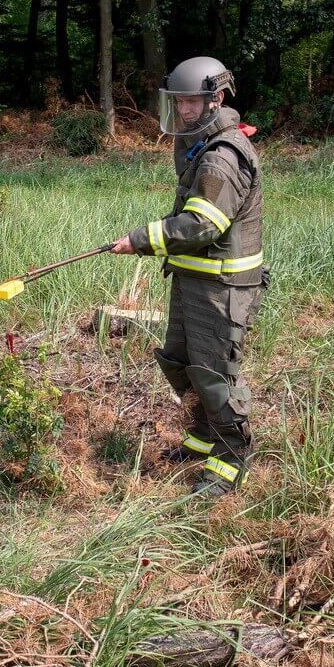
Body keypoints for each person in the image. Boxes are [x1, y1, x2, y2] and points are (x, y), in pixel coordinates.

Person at [110, 56, 268, 499]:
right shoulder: (201, 146)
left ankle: (230, 461)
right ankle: (202, 440)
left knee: (214, 373)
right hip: (193, 280)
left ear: (216, 99)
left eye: (191, 104)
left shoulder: (223, 157)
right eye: (178, 103)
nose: (183, 112)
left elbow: (201, 226)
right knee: (181, 363)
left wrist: (141, 239)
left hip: (222, 288)